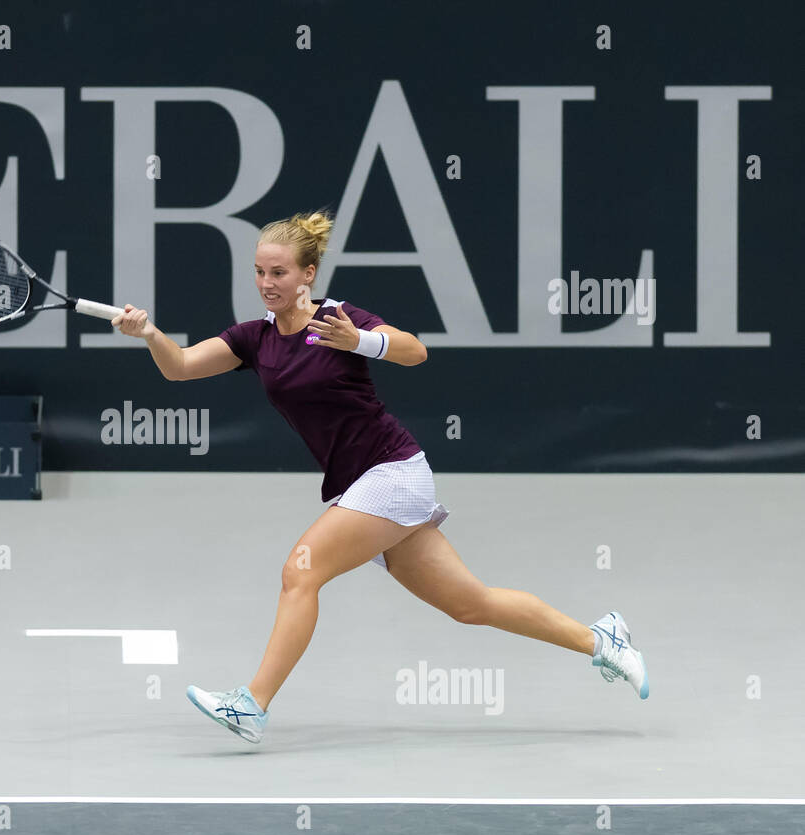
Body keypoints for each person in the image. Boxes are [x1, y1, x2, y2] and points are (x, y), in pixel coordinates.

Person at [111, 209, 649, 744]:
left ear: (308, 274)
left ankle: (252, 705)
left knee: (301, 572)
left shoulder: (340, 319)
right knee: (471, 605)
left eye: (279, 273)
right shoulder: (255, 338)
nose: (267, 283)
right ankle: (604, 641)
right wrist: (149, 333)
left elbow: (416, 351)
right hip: (361, 485)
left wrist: (360, 342)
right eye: (259, 272)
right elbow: (180, 366)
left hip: (392, 472)